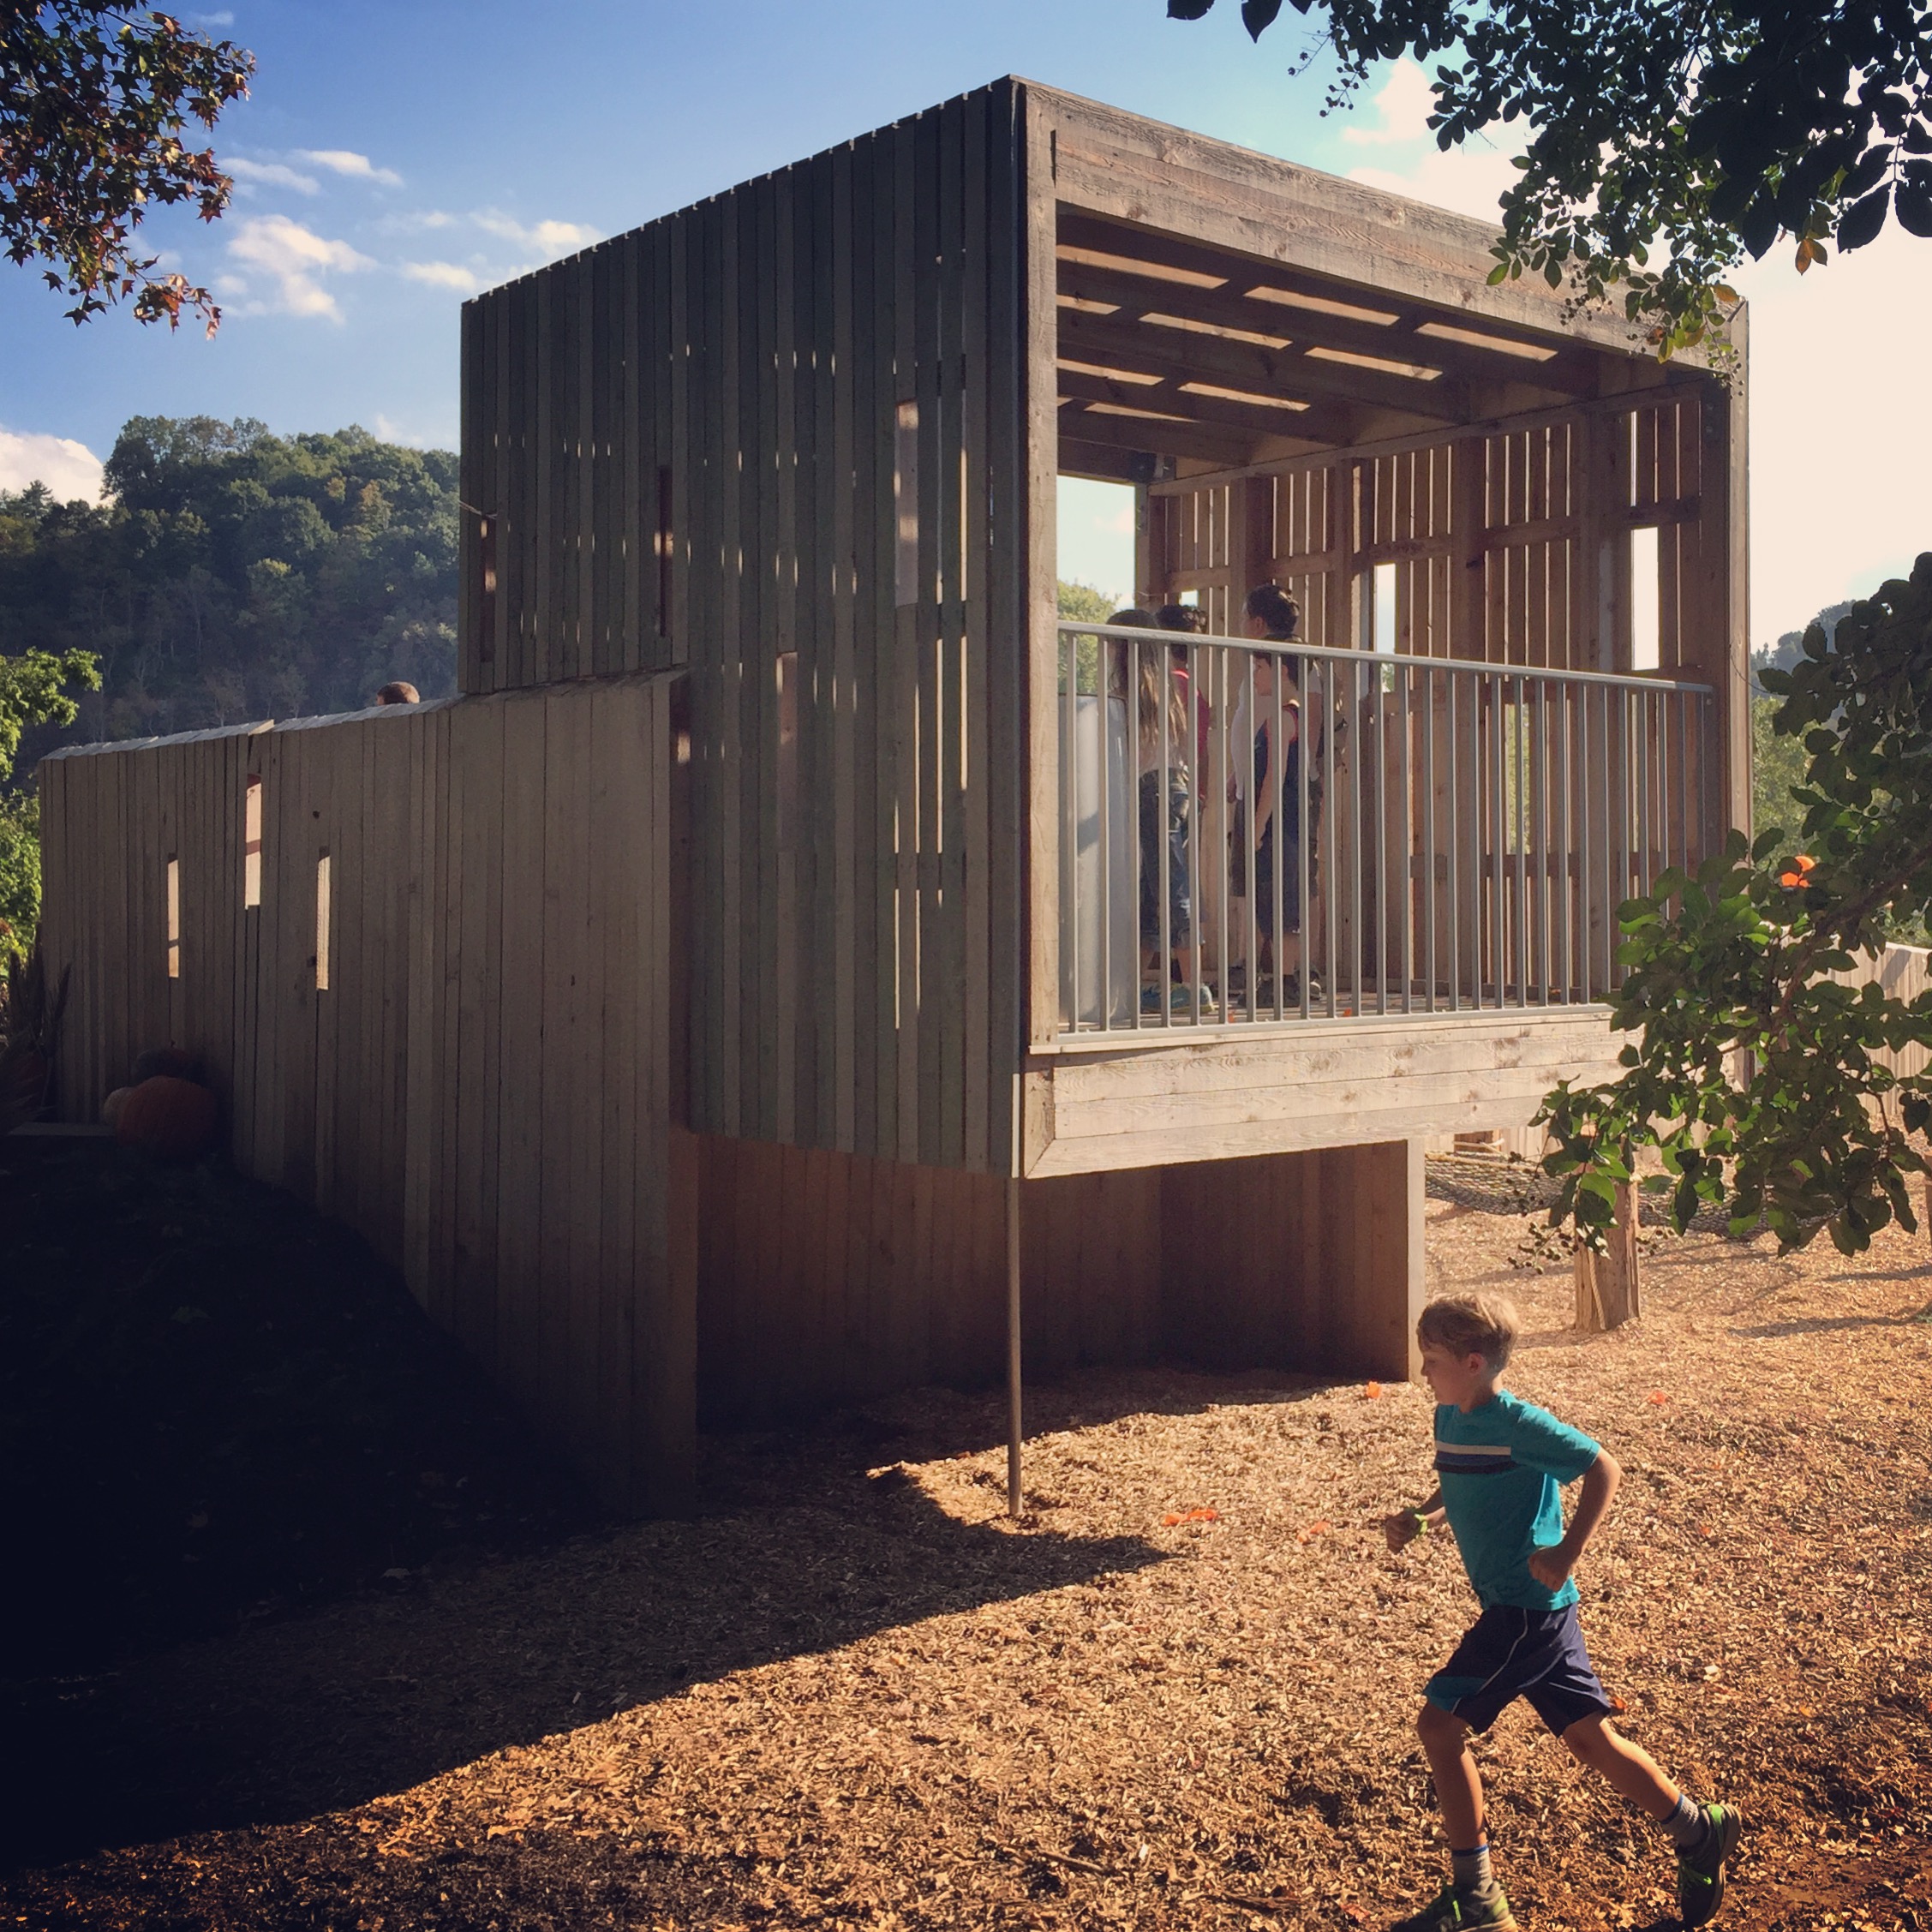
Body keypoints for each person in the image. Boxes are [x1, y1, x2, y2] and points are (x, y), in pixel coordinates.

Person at [1381, 1294, 1743, 1931]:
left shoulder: (1518, 1422)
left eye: (1431, 1361)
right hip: (1528, 1610)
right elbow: (1459, 1475)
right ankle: (1697, 1829)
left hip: (1525, 1611)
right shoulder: (1450, 1414)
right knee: (1588, 1738)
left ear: (1471, 1362)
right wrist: (1422, 1515)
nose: (1422, 1373)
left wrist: (1567, 1549)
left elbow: (1604, 1467)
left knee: (1438, 1727)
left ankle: (1477, 1895)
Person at [1109, 608, 1211, 1014]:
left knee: (1170, 887)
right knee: (1154, 889)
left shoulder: (1133, 687)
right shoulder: (1167, 686)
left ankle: (1193, 984)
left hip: (1153, 790)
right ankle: (1131, 986)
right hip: (1173, 786)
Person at [1230, 583, 1310, 1003]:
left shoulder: (1286, 700)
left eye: (1243, 619)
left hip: (1274, 807)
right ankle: (1272, 974)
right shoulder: (1275, 690)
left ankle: (1284, 976)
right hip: (1257, 794)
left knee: (1280, 892)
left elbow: (1276, 770)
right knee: (1263, 890)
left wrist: (1259, 823)